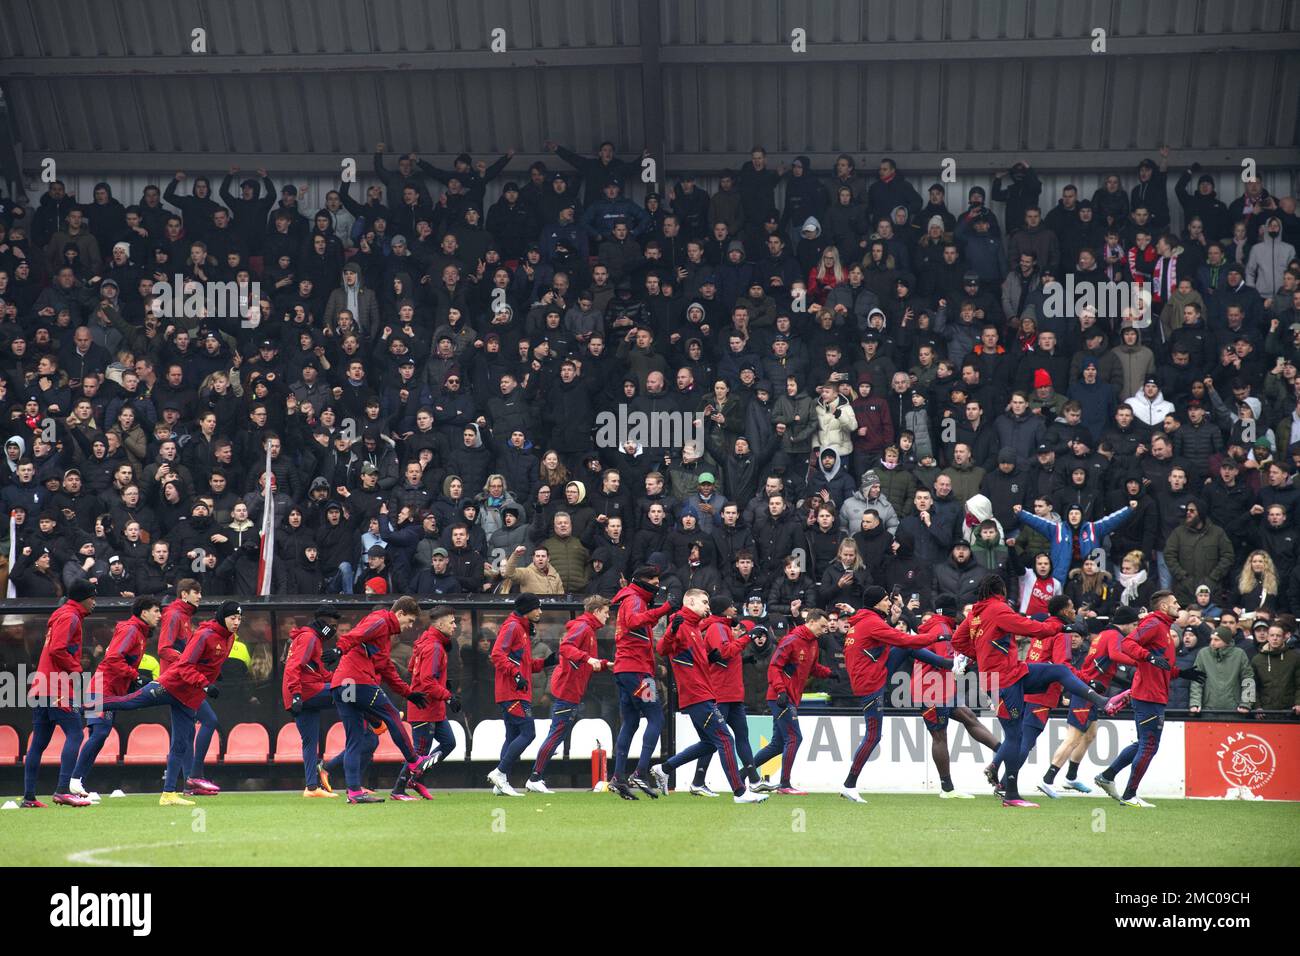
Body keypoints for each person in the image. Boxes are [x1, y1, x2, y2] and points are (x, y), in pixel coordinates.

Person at [953, 575, 1121, 806]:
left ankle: (1103, 701)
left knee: (1059, 672)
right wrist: (1058, 626)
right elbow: (1029, 627)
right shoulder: (998, 609)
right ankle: (1010, 794)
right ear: (1000, 591)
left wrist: (980, 655)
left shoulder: (974, 614)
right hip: (1004, 680)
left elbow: (958, 641)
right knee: (1015, 737)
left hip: (1011, 674)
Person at [100, 601, 246, 806]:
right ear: (223, 618)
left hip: (189, 697)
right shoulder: (204, 635)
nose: (237, 622)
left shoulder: (229, 638)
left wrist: (214, 674)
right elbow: (185, 665)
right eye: (233, 618)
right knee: (130, 702)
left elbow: (208, 662)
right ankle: (88, 704)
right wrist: (205, 684)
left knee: (180, 742)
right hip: (170, 686)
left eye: (239, 618)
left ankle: (168, 793)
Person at [650, 589, 769, 804]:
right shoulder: (681, 623)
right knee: (725, 738)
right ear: (691, 602)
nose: (708, 606)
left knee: (710, 742)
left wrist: (709, 658)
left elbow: (695, 658)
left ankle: (664, 768)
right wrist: (670, 632)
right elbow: (662, 647)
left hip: (703, 693)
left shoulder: (695, 627)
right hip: (696, 694)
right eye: (704, 602)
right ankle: (740, 792)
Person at [837, 586, 954, 803]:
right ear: (875, 603)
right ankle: (849, 784)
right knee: (873, 736)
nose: (888, 603)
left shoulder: (864, 620)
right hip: (871, 682)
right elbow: (904, 640)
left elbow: (880, 641)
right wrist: (935, 636)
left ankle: (949, 664)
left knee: (907, 649)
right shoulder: (872, 622)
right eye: (884, 600)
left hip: (872, 672)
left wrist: (891, 623)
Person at [1095, 590, 1206, 806]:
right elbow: (1128, 644)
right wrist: (1149, 657)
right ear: (1163, 606)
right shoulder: (1154, 623)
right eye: (1174, 602)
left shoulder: (1164, 627)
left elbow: (1159, 664)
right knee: (1149, 745)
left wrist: (1180, 673)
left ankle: (1107, 776)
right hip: (1148, 695)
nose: (1178, 606)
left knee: (1143, 744)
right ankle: (1129, 796)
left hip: (1153, 693)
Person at [328, 596, 439, 804]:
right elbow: (355, 635)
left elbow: (386, 669)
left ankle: (353, 792)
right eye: (410, 621)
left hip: (342, 686)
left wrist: (408, 693)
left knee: (355, 740)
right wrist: (339, 648)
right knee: (392, 716)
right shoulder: (380, 620)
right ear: (400, 613)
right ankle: (415, 761)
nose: (410, 626)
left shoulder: (384, 636)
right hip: (357, 681)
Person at [71, 596, 163, 801]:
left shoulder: (139, 633)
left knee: (99, 735)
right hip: (101, 689)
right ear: (144, 612)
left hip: (109, 690)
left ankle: (77, 784)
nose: (160, 615)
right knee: (100, 732)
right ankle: (74, 781)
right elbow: (112, 659)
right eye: (156, 611)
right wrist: (136, 677)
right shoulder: (131, 630)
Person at [1042, 606, 1141, 793]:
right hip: (1087, 691)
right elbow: (1115, 655)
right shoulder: (1114, 636)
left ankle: (1070, 777)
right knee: (1073, 738)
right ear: (1126, 623)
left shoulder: (1104, 634)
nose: (1135, 628)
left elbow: (1102, 665)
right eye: (1134, 624)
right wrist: (1140, 661)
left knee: (1089, 736)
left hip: (1093, 690)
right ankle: (1047, 780)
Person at [912, 596, 1002, 798]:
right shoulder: (943, 630)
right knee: (940, 736)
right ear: (954, 613)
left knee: (968, 717)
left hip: (938, 687)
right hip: (931, 689)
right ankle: (947, 789)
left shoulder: (934, 626)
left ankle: (1003, 751)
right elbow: (947, 662)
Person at [22, 580, 98, 808]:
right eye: (92, 597)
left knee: (38, 743)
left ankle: (28, 797)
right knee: (75, 734)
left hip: (42, 685)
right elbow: (58, 649)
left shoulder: (61, 615)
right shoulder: (70, 616)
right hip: (57, 687)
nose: (94, 601)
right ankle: (63, 790)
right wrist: (76, 669)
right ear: (83, 598)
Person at [681, 595, 767, 796]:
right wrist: (749, 637)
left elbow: (722, 656)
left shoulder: (723, 628)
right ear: (723, 609)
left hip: (733, 693)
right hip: (722, 693)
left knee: (741, 737)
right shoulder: (717, 628)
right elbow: (725, 652)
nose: (735, 608)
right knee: (716, 741)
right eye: (731, 606)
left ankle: (753, 780)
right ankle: (696, 780)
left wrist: (743, 658)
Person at [526, 595, 612, 794]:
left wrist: (605, 664)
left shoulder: (588, 629)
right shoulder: (583, 627)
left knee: (558, 733)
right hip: (567, 689)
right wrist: (589, 659)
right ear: (596, 611)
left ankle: (536, 776)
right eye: (606, 613)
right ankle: (535, 777)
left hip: (571, 689)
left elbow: (582, 659)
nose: (608, 617)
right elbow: (565, 648)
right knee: (556, 734)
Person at [744, 608, 834, 793]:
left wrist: (830, 674)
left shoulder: (813, 643)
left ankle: (740, 775)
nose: (824, 630)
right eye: (822, 626)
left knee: (777, 745)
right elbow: (774, 667)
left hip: (789, 696)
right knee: (794, 737)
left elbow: (811, 667)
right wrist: (781, 691)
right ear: (811, 621)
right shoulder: (791, 640)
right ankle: (784, 784)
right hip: (781, 698)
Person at [608, 564, 674, 799]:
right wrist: (665, 608)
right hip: (638, 672)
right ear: (644, 582)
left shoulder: (631, 598)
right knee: (656, 717)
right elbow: (635, 621)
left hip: (625, 671)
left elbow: (638, 626)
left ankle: (618, 777)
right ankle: (640, 772)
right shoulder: (634, 599)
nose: (657, 588)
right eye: (655, 584)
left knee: (632, 721)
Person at [156, 578, 216, 795]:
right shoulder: (173, 615)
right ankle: (194, 776)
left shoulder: (184, 616)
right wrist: (186, 661)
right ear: (183, 594)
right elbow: (164, 648)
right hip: (178, 682)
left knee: (186, 733)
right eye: (195, 592)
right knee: (209, 720)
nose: (200, 596)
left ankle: (188, 784)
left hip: (184, 680)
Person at [487, 593, 549, 797]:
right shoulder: (513, 626)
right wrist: (515, 675)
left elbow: (524, 664)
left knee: (512, 736)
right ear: (527, 609)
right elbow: (497, 654)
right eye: (537, 607)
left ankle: (500, 784)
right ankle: (500, 772)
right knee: (528, 733)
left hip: (514, 691)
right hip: (512, 692)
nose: (540, 611)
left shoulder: (521, 628)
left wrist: (545, 663)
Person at [398, 604, 462, 799]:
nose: (455, 626)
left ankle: (416, 778)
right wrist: (448, 696)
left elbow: (412, 669)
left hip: (433, 708)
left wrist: (443, 682)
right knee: (418, 753)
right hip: (424, 708)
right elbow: (426, 682)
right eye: (452, 622)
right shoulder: (434, 647)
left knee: (449, 742)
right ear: (440, 624)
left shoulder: (425, 641)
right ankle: (398, 789)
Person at [282, 605, 344, 798]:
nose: (334, 630)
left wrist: (335, 676)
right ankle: (379, 718)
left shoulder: (308, 637)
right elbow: (294, 666)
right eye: (332, 625)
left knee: (309, 742)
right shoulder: (310, 638)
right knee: (349, 691)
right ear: (323, 623)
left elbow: (317, 671)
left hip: (301, 694)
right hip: (306, 692)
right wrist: (297, 694)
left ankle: (311, 788)